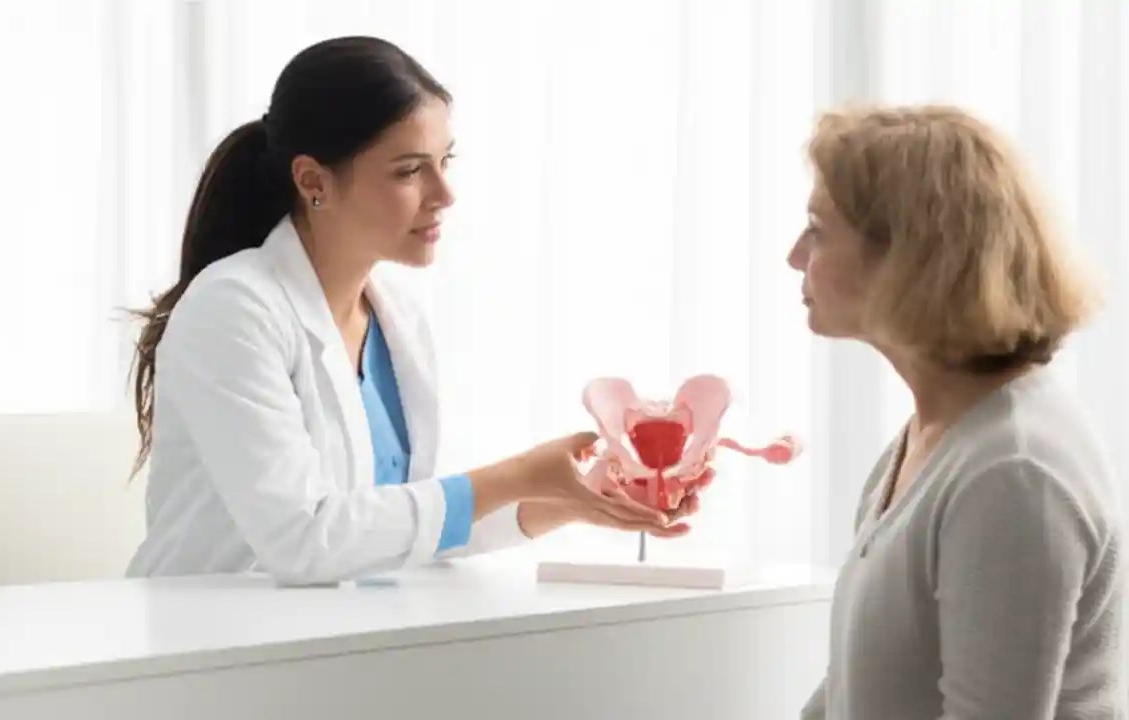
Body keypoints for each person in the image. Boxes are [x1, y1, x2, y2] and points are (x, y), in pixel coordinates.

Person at [124, 36, 698, 585]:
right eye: (409, 170)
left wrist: (573, 498)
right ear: (312, 180)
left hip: (332, 645)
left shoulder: (395, 317)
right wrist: (517, 475)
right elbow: (302, 539)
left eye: (446, 161)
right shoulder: (234, 308)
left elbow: (403, 528)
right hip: (204, 654)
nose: (445, 194)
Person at [790, 104, 1124, 719]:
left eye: (818, 230)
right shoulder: (938, 431)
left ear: (906, 256)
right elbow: (849, 693)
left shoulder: (1015, 473)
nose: (793, 256)